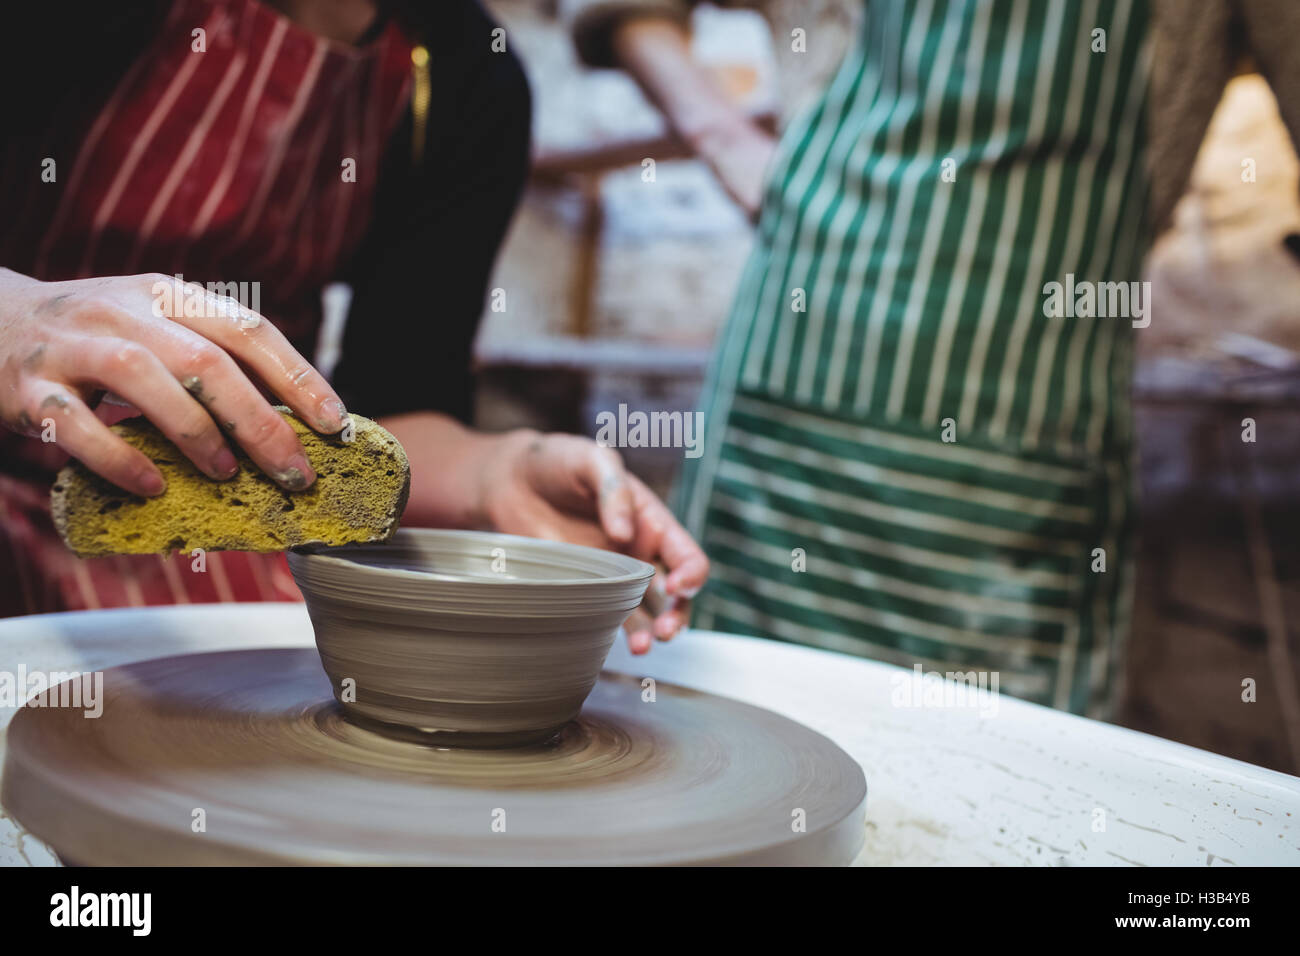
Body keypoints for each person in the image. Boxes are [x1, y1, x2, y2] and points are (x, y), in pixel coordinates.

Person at [567, 0, 1300, 714]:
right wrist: (727, 140)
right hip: (791, 389)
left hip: (1026, 443)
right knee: (736, 738)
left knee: (1004, 781)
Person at [0, 0, 707, 653]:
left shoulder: (464, 73)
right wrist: (17, 318)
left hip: (238, 514)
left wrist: (498, 478)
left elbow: (388, 411)